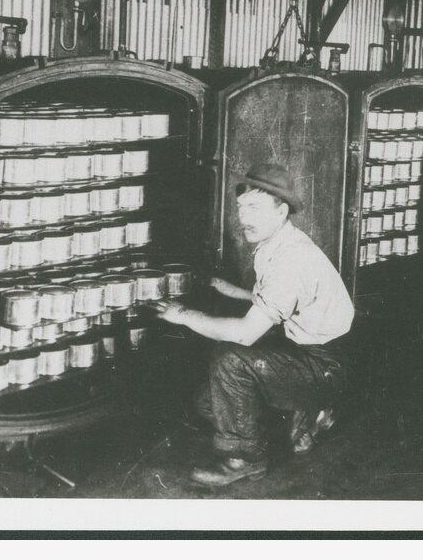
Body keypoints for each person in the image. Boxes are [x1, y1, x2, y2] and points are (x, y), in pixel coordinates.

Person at [152, 163, 355, 487]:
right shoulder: (278, 243)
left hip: (325, 365)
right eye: (241, 207)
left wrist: (183, 315)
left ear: (281, 210)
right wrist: (232, 291)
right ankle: (306, 415)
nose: (244, 217)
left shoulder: (292, 259)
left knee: (230, 360)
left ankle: (245, 460)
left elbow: (246, 334)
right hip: (306, 351)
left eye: (255, 208)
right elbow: (278, 299)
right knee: (210, 402)